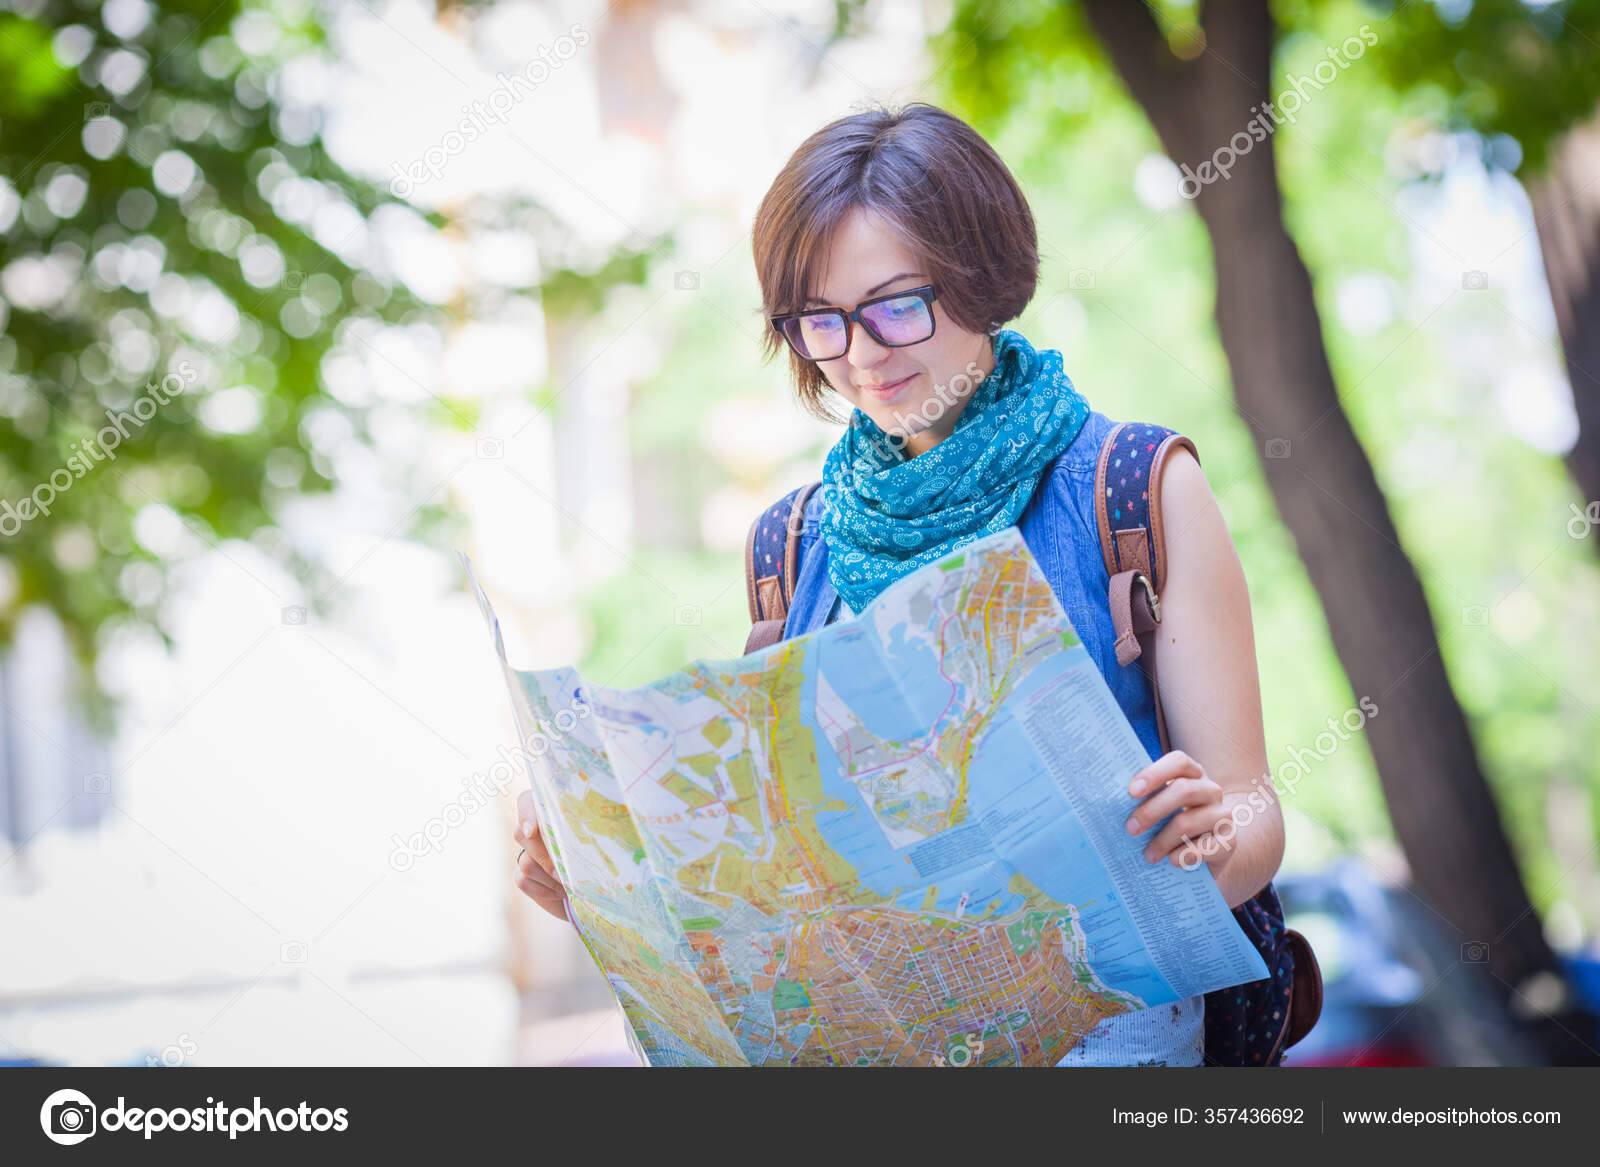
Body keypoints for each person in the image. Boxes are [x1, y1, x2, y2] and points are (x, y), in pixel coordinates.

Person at [513, 102, 1283, 1066]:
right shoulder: (791, 544)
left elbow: (1254, 811)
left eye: (895, 305)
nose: (862, 353)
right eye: (819, 323)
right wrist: (605, 890)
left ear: (986, 276)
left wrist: (1215, 835)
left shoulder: (1134, 488)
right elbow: (776, 894)